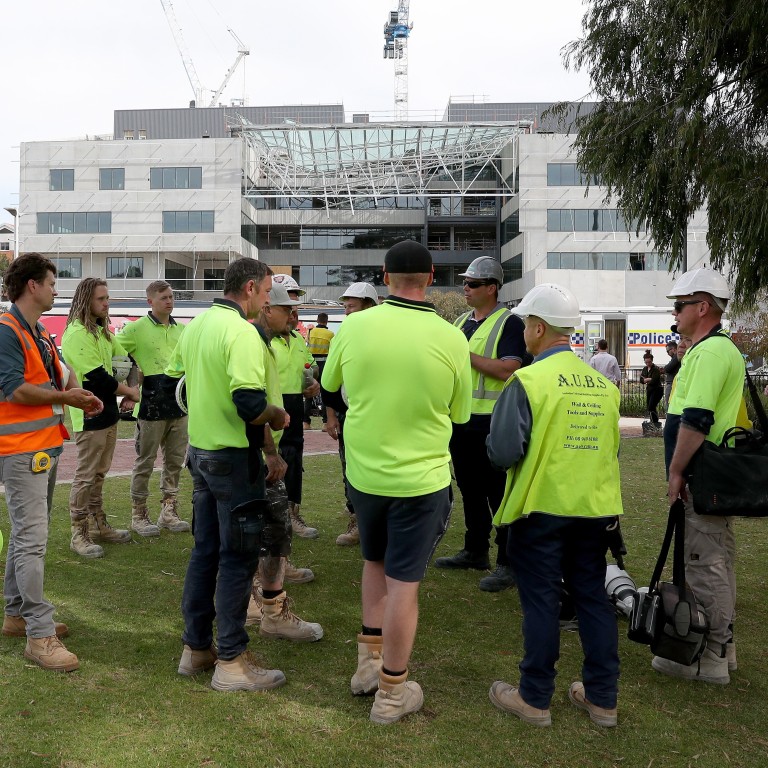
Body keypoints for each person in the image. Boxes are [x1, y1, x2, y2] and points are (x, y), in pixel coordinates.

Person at [323, 240, 472, 724]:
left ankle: (368, 667)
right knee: (403, 583)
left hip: (365, 475)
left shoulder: (355, 325)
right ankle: (391, 690)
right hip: (421, 478)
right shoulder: (452, 337)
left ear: (385, 278)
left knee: (374, 561)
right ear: (431, 277)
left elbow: (329, 386)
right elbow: (461, 412)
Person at [486, 283, 622, 728]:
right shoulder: (604, 386)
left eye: (526, 323)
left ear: (539, 328)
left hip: (540, 509)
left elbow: (503, 452)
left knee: (542, 603)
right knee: (592, 600)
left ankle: (534, 697)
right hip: (594, 509)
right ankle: (603, 699)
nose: (524, 331)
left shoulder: (528, 380)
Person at [165, 257, 289, 691]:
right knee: (237, 559)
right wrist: (277, 414)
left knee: (205, 552)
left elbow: (176, 377)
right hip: (233, 458)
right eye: (268, 290)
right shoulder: (242, 331)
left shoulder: (197, 324)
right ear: (251, 288)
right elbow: (250, 403)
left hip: (200, 452)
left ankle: (196, 648)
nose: (269, 298)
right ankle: (232, 661)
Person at [0, 253, 103, 671]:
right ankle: (38, 635)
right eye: (51, 282)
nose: (57, 289)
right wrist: (67, 397)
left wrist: (76, 388)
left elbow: (59, 371)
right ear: (32, 286)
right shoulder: (7, 330)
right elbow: (13, 390)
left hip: (41, 447)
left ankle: (16, 615)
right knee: (31, 539)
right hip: (22, 450)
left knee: (27, 534)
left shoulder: (37, 330)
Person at [654, 268, 743, 685]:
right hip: (708, 472)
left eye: (679, 305)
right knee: (716, 559)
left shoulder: (708, 353)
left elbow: (697, 418)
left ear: (702, 306)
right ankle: (721, 650)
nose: (675, 313)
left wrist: (676, 471)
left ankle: (711, 652)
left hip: (700, 472)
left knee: (704, 562)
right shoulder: (715, 349)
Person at [435, 256, 528, 593]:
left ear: (492, 288)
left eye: (473, 283)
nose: (466, 288)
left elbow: (508, 369)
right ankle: (475, 550)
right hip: (462, 421)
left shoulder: (510, 324)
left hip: (494, 422)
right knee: (470, 490)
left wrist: (463, 355)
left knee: (499, 493)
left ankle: (508, 562)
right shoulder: (461, 321)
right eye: (465, 282)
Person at [246, 282, 323, 642]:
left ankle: (265, 598)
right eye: (284, 305)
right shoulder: (250, 341)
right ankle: (259, 603)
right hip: (253, 442)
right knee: (254, 524)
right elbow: (249, 403)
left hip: (273, 427)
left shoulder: (285, 339)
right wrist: (268, 449)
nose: (292, 313)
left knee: (265, 522)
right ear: (265, 307)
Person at [61, 278, 141, 558]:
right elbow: (98, 380)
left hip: (108, 414)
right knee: (85, 476)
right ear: (86, 300)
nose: (107, 304)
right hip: (89, 415)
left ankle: (97, 524)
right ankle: (78, 533)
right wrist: (130, 390)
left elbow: (129, 359)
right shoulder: (76, 333)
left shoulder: (103, 333)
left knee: (99, 474)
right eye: (101, 299)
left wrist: (131, 392)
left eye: (107, 298)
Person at [116, 280, 189, 536]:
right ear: (150, 301)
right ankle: (139, 514)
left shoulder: (183, 330)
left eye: (171, 296)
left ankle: (168, 511)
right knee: (145, 461)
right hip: (151, 405)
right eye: (163, 297)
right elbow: (116, 354)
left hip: (180, 404)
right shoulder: (134, 330)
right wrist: (130, 383)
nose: (169, 301)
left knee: (175, 462)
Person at [323, 282, 379, 547]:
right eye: (345, 307)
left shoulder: (384, 334)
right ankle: (357, 519)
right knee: (351, 467)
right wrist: (330, 416)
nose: (347, 313)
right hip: (350, 414)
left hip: (380, 415)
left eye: (352, 307)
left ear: (369, 306)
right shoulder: (345, 333)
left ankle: (377, 521)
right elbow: (330, 381)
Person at [270, 290, 321, 539]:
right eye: (288, 309)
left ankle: (291, 514)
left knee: (293, 459)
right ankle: (270, 516)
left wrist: (314, 383)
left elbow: (311, 365)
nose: (293, 314)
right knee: (268, 460)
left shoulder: (299, 340)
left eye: (295, 310)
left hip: (294, 404)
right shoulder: (264, 340)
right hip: (270, 407)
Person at [305, 312, 334, 428]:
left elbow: (307, 346)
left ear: (317, 320)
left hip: (311, 364)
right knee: (324, 393)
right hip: (324, 364)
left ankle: (306, 422)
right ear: (326, 321)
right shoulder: (330, 334)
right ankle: (325, 422)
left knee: (308, 392)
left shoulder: (310, 332)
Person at [640, 350, 664, 425]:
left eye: (649, 362)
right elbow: (641, 379)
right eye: (646, 362)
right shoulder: (645, 369)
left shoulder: (656, 369)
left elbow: (655, 380)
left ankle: (655, 421)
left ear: (652, 361)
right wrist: (648, 379)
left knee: (651, 405)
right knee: (649, 406)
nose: (648, 364)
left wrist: (647, 379)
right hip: (650, 389)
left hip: (657, 389)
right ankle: (653, 421)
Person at [663, 340, 680, 408]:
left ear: (673, 349)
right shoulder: (676, 357)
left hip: (671, 383)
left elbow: (668, 368)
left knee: (669, 404)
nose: (667, 353)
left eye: (668, 351)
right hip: (673, 383)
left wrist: (664, 369)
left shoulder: (676, 357)